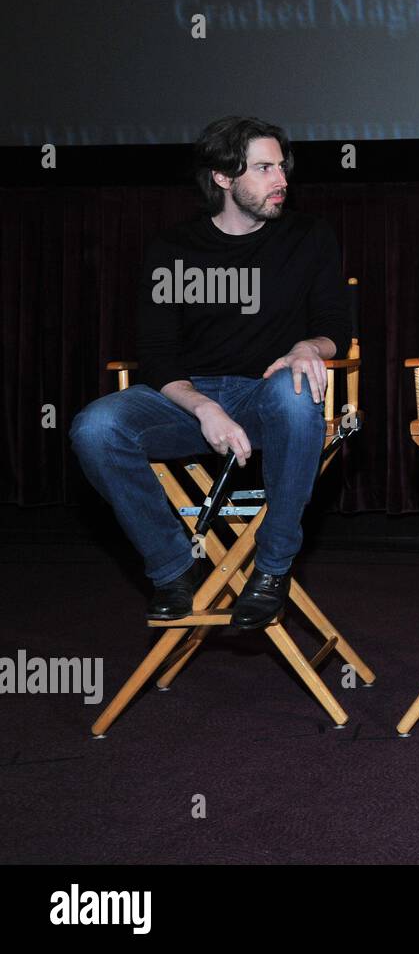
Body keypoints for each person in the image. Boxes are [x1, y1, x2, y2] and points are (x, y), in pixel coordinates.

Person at [69, 117, 351, 629]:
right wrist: (205, 408)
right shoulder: (173, 249)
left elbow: (335, 327)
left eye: (281, 166)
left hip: (268, 396)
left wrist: (308, 347)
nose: (281, 179)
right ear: (223, 177)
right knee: (96, 426)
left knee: (294, 392)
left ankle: (272, 567)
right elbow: (157, 356)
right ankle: (173, 567)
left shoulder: (309, 236)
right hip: (187, 399)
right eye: (263, 168)